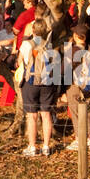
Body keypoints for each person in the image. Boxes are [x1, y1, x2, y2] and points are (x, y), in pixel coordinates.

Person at [20, 18, 57, 156]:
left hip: (31, 82)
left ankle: (32, 146)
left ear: (33, 30)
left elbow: (20, 62)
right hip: (47, 82)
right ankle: (46, 146)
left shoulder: (26, 44)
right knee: (46, 114)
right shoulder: (49, 45)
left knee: (32, 116)